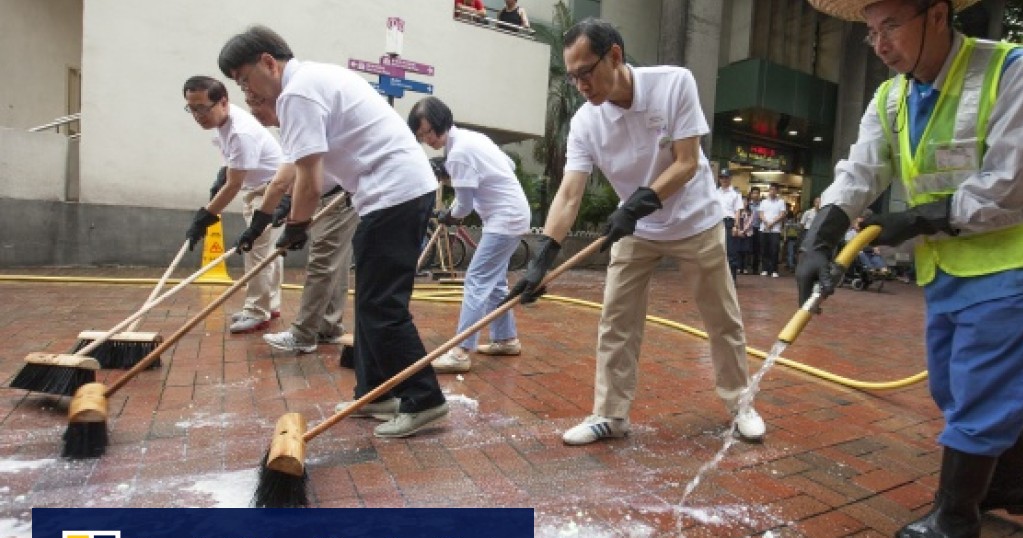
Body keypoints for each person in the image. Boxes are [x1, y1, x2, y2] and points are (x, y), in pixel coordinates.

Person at [801, 0, 1023, 538]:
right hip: (949, 263)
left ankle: (957, 514)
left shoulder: (1016, 70)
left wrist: (919, 219)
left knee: (981, 387)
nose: (879, 44)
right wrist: (822, 231)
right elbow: (862, 168)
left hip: (1018, 258)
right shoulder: (892, 96)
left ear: (938, 14)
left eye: (892, 26)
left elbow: (1010, 181)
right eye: (872, 31)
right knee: (951, 384)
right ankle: (1009, 483)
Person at [507, 17, 765, 444]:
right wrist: (542, 257)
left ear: (615, 56)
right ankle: (610, 414)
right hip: (637, 228)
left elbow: (686, 162)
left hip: (695, 221)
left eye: (586, 72)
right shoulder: (587, 122)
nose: (580, 85)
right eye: (573, 77)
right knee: (616, 320)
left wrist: (640, 201)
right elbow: (570, 194)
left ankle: (741, 404)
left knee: (722, 318)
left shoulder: (673, 84)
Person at [219, 26, 448, 438]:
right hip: (388, 194)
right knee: (372, 303)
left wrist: (297, 226)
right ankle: (375, 393)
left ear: (268, 63)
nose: (246, 92)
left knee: (383, 305)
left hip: (394, 194)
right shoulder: (310, 82)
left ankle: (425, 399)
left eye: (244, 79)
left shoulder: (297, 93)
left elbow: (310, 174)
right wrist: (288, 212)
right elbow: (315, 174)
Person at [407, 96, 531, 373]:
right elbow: (507, 166)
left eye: (429, 130)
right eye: (421, 134)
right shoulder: (472, 139)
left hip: (505, 218)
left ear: (442, 121)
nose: (427, 138)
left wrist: (447, 216)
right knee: (495, 282)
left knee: (476, 279)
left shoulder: (460, 153)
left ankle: (461, 351)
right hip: (510, 214)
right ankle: (506, 339)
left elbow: (463, 206)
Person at [241, 96, 360, 355]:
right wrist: (275, 212)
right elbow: (291, 173)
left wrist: (272, 220)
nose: (253, 111)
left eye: (257, 104)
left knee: (322, 263)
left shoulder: (297, 117)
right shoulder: (288, 129)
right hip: (328, 195)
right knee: (334, 265)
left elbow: (285, 181)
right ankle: (329, 326)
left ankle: (303, 334)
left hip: (340, 197)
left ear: (275, 104)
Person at [182, 75, 284, 334]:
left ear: (223, 103)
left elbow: (234, 185)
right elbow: (230, 169)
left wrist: (205, 217)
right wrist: (220, 179)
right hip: (258, 187)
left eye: (202, 108)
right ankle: (269, 304)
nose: (197, 116)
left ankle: (257, 311)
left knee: (256, 251)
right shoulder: (222, 122)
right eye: (191, 108)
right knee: (266, 250)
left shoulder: (241, 132)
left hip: (273, 190)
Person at [716, 169, 743, 282]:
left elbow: (737, 211)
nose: (724, 180)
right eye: (722, 177)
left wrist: (736, 226)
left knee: (731, 251)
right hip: (717, 222)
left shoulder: (735, 194)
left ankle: (732, 279)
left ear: (730, 178)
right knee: (717, 250)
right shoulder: (716, 192)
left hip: (729, 222)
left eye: (726, 177)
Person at [758, 183, 787, 277]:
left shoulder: (781, 202)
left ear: (777, 191)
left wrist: (772, 223)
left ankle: (774, 270)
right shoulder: (764, 202)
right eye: (771, 189)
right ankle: (765, 269)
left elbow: (782, 214)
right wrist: (766, 222)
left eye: (774, 190)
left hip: (775, 229)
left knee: (774, 249)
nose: (772, 192)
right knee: (764, 249)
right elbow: (761, 214)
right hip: (764, 228)